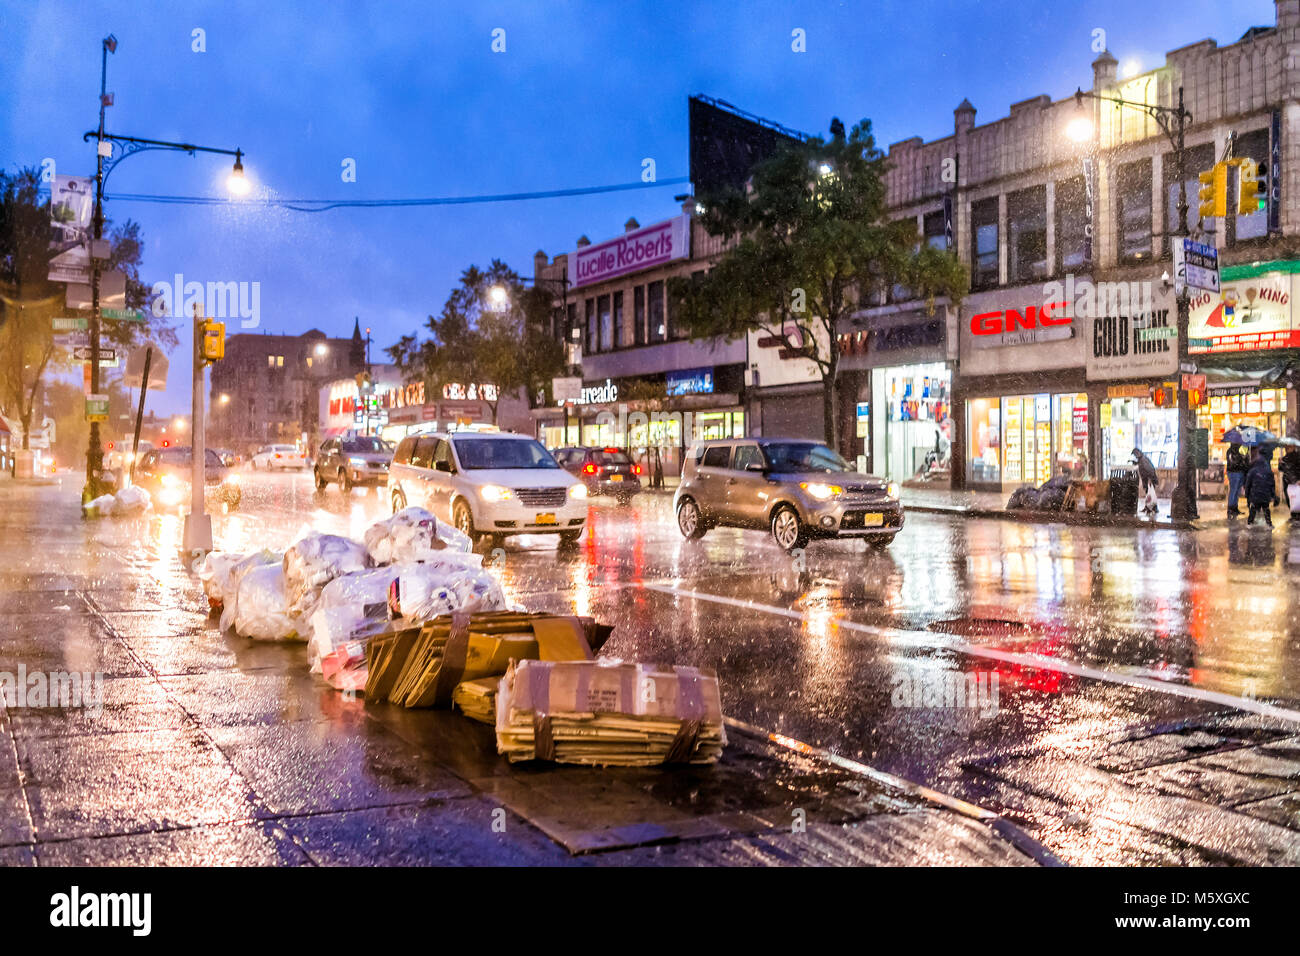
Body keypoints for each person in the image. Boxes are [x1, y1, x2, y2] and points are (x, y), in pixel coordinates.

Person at [1242, 446, 1280, 527]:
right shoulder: (1268, 471)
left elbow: (1248, 484)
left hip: (1255, 494)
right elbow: (1272, 484)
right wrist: (1273, 495)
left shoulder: (1252, 470)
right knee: (1266, 509)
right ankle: (1269, 523)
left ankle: (1250, 523)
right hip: (1265, 495)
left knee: (1253, 509)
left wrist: (1247, 495)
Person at [1131, 447, 1159, 516]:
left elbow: (1150, 470)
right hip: (1146, 479)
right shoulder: (1142, 459)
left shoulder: (1143, 460)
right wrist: (1134, 462)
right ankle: (1147, 507)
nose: (1135, 456)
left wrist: (1150, 480)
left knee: (1150, 494)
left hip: (1149, 480)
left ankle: (1154, 508)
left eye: (1135, 455)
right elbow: (1140, 464)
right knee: (1148, 494)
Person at [1225, 442, 1249, 518]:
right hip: (1234, 472)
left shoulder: (1238, 450)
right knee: (1234, 490)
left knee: (1236, 491)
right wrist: (1242, 458)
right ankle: (1231, 508)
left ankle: (1234, 508)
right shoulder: (1232, 451)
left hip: (1238, 472)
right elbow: (1235, 462)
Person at [1278, 445, 1300, 519]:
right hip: (1287, 480)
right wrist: (1280, 463)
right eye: (1286, 448)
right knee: (1289, 497)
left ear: (1293, 447)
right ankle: (1293, 514)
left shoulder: (1297, 456)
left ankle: (1298, 514)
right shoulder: (1285, 458)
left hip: (1296, 480)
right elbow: (1281, 469)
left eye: (1288, 447)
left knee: (1297, 497)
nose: (1286, 449)